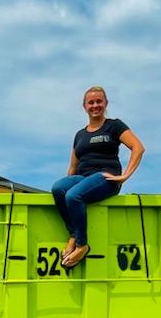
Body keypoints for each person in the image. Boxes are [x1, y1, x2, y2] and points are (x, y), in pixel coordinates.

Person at [52, 86, 145, 268]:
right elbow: (72, 166)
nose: (95, 105)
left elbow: (138, 147)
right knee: (58, 189)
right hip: (84, 178)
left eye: (99, 101)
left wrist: (125, 176)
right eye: (91, 102)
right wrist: (68, 184)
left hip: (105, 178)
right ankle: (73, 234)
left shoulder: (114, 125)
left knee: (73, 195)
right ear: (84, 106)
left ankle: (82, 245)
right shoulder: (80, 135)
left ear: (106, 103)